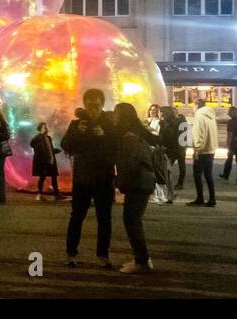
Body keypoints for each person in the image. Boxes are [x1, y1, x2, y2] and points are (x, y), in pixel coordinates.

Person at [62, 89, 117, 268]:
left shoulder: (110, 125)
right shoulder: (76, 124)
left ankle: (103, 255)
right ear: (85, 104)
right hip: (82, 178)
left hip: (104, 178)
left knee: (104, 218)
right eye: (90, 104)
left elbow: (116, 149)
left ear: (102, 104)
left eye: (97, 104)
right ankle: (71, 253)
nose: (93, 108)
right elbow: (65, 145)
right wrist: (78, 132)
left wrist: (104, 136)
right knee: (77, 216)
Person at [113, 102, 159, 273]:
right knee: (134, 221)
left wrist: (120, 185)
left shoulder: (129, 138)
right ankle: (143, 259)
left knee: (132, 222)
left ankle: (142, 262)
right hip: (143, 182)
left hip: (138, 183)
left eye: (117, 114)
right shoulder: (136, 135)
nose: (114, 118)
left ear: (123, 117)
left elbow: (129, 165)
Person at [187, 99, 217, 207]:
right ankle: (212, 199)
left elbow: (199, 134)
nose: (192, 108)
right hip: (210, 149)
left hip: (202, 151)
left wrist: (197, 150)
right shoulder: (210, 116)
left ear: (196, 105)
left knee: (197, 175)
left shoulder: (199, 117)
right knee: (208, 175)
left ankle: (200, 198)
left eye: (193, 106)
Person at [30, 122, 61, 200]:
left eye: (47, 127)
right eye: (45, 128)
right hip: (44, 162)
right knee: (42, 177)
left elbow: (49, 149)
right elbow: (34, 146)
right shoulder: (37, 138)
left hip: (50, 160)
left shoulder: (48, 138)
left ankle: (57, 195)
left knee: (53, 177)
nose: (47, 129)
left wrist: (54, 151)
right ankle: (39, 195)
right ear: (40, 129)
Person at [160, 105, 185, 196]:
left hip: (170, 150)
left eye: (162, 113)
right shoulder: (176, 122)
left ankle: (169, 193)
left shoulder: (168, 124)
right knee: (167, 171)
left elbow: (167, 138)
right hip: (174, 149)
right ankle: (170, 193)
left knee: (166, 171)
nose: (160, 114)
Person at [220, 107, 237, 182]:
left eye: (230, 112)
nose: (228, 113)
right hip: (234, 143)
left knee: (229, 160)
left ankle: (225, 175)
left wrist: (227, 144)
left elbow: (229, 134)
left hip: (233, 144)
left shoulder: (231, 122)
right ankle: (225, 175)